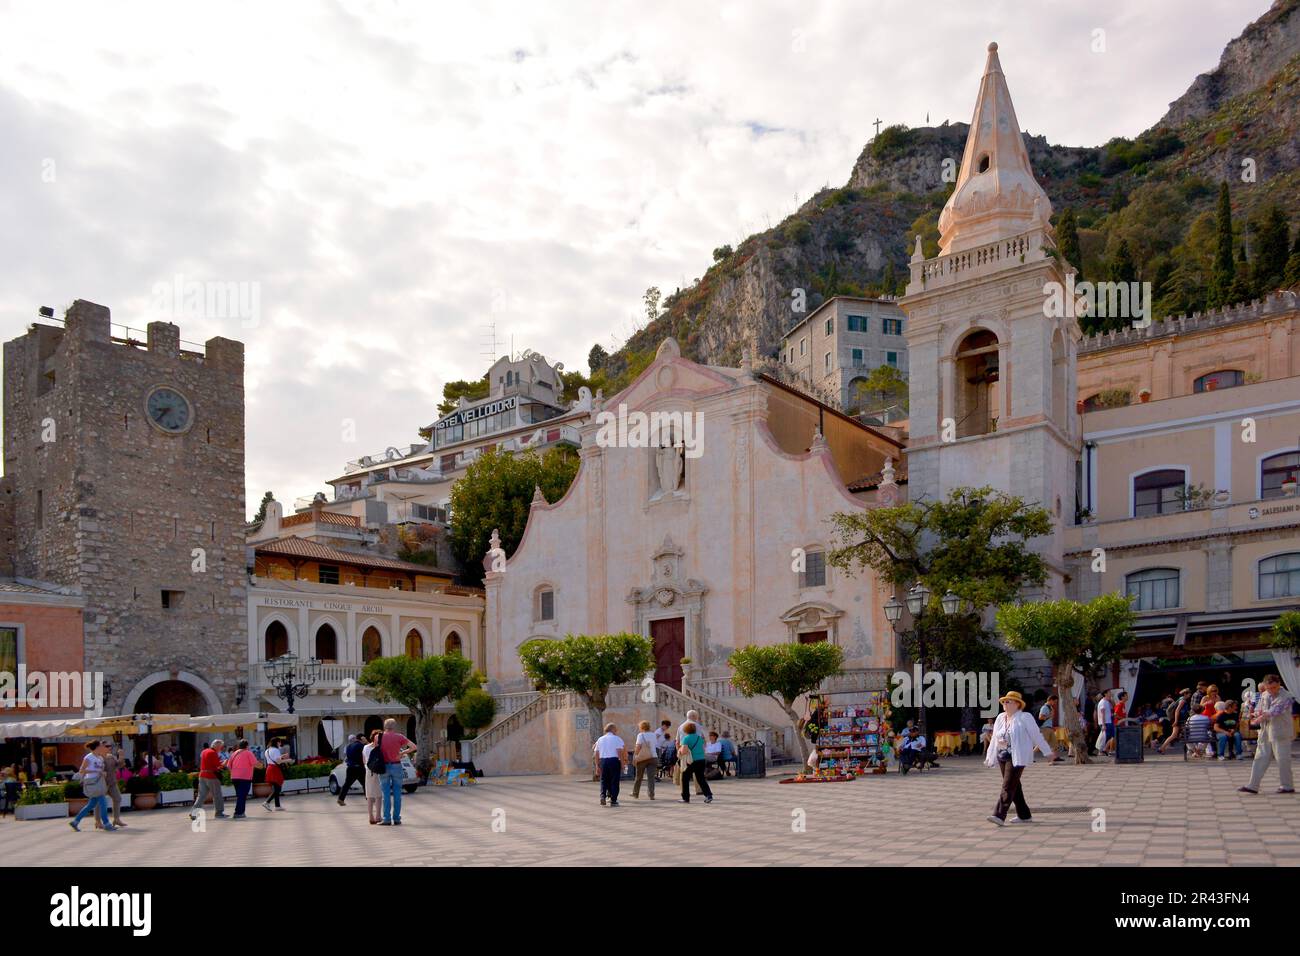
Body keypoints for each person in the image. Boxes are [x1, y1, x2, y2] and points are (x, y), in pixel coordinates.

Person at [985, 691, 1059, 826]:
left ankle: (999, 815)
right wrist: (990, 756)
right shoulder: (1001, 718)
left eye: (1009, 701)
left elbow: (1037, 735)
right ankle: (1024, 815)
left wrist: (1047, 753)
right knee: (1015, 786)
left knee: (1007, 786)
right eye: (1004, 702)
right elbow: (995, 738)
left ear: (1017, 704)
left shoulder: (1025, 717)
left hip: (1017, 756)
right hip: (1002, 756)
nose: (1005, 704)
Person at [1239, 674, 1295, 795]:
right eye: (1269, 688)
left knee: (1282, 759)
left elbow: (1276, 710)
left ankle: (1287, 786)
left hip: (1281, 732)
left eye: (1274, 687)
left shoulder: (1287, 696)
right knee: (1260, 757)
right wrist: (1253, 714)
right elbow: (1260, 709)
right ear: (1265, 686)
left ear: (1279, 684)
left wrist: (1259, 717)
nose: (1271, 691)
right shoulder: (1265, 695)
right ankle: (1253, 785)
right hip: (1265, 731)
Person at [69, 741, 116, 832]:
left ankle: (75, 821)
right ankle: (106, 823)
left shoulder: (99, 757)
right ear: (97, 747)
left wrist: (102, 772)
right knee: (103, 803)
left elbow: (99, 768)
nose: (103, 747)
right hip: (93, 782)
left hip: (98, 782)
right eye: (101, 746)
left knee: (91, 804)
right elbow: (82, 770)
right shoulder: (88, 757)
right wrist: (97, 772)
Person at [377, 718, 415, 825]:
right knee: (398, 793)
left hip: (383, 766)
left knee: (386, 793)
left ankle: (386, 818)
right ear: (394, 726)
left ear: (385, 726)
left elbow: (375, 750)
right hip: (397, 765)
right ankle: (397, 818)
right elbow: (413, 747)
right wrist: (402, 753)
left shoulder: (378, 737)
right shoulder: (399, 737)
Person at [677, 721, 713, 804]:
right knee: (701, 779)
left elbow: (684, 751)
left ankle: (686, 798)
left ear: (685, 730)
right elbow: (703, 748)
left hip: (691, 761)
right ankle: (708, 795)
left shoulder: (686, 738)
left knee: (685, 778)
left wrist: (679, 752)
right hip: (701, 760)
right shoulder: (699, 738)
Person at [191, 739, 227, 820]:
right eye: (220, 747)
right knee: (217, 795)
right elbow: (218, 766)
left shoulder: (204, 751)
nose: (221, 749)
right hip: (211, 776)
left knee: (201, 796)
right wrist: (224, 763)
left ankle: (193, 813)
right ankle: (219, 813)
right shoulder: (213, 753)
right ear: (217, 746)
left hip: (202, 775)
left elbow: (209, 762)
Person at [593, 723, 627, 807]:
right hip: (614, 761)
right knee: (614, 780)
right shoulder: (617, 739)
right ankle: (613, 800)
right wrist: (622, 763)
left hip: (603, 761)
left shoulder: (600, 739)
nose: (616, 731)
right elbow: (619, 752)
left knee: (604, 780)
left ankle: (603, 796)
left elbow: (596, 753)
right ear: (612, 729)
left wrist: (597, 765)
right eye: (615, 729)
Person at [227, 739, 261, 819]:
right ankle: (239, 813)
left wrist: (234, 772)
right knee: (242, 795)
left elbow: (228, 766)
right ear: (247, 746)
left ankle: (238, 812)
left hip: (234, 777)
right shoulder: (248, 753)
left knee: (240, 795)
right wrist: (261, 766)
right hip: (245, 777)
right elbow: (255, 764)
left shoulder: (234, 753)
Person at [97, 745, 127, 830]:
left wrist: (121, 755)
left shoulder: (111, 756)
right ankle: (98, 821)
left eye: (110, 746)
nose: (109, 747)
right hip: (102, 783)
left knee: (117, 798)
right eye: (106, 746)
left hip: (112, 782)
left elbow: (120, 765)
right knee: (99, 802)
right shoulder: (98, 757)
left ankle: (116, 819)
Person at [262, 737, 292, 812]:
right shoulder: (276, 750)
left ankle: (277, 806)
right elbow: (278, 762)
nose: (280, 744)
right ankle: (267, 802)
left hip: (269, 768)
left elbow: (274, 759)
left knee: (276, 788)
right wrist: (287, 760)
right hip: (275, 769)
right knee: (277, 788)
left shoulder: (267, 750)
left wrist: (282, 756)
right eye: (279, 742)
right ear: (276, 742)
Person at [1158, 689, 1192, 753]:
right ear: (1185, 694)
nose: (1189, 696)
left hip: (1176, 719)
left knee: (1174, 735)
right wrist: (1176, 721)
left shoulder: (1180, 699)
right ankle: (1194, 750)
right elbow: (1177, 711)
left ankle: (1162, 748)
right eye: (1189, 694)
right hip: (1178, 720)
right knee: (1186, 734)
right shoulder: (1183, 701)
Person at [630, 720, 658, 800]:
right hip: (653, 757)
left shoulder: (641, 735)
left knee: (639, 777)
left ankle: (635, 793)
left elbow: (638, 747)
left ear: (641, 727)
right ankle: (651, 794)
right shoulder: (653, 735)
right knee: (651, 777)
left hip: (643, 758)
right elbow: (655, 745)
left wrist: (635, 756)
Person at [337, 734, 367, 806]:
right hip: (359, 768)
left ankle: (340, 799)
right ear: (361, 738)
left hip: (350, 768)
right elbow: (365, 755)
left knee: (347, 784)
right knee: (365, 783)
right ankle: (369, 799)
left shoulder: (348, 746)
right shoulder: (361, 746)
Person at [363, 730, 384, 824]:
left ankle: (371, 816)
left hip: (368, 771)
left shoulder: (365, 747)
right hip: (378, 772)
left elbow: (364, 761)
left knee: (369, 795)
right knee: (378, 795)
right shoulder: (380, 748)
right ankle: (378, 816)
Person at [1095, 689, 1115, 756]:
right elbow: (1102, 714)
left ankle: (1104, 749)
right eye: (1109, 692)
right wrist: (1103, 724)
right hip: (1105, 722)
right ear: (1105, 694)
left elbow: (1108, 712)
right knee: (1104, 737)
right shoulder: (1102, 702)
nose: (1110, 693)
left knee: (1112, 736)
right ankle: (1101, 751)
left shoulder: (1107, 702)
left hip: (1109, 721)